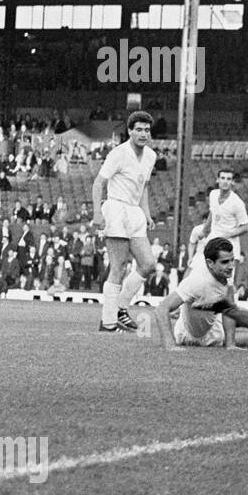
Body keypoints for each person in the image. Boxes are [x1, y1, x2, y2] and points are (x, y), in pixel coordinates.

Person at [91, 112, 158, 332]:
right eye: (138, 129)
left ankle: (120, 308)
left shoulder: (150, 156)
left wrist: (146, 213)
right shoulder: (118, 154)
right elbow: (98, 183)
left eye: (147, 130)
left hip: (135, 212)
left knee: (148, 264)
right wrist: (97, 213)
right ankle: (108, 322)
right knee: (118, 267)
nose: (143, 134)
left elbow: (144, 186)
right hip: (116, 208)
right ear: (129, 131)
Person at [152, 237, 243, 351]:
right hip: (184, 336)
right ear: (210, 263)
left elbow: (228, 311)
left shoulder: (225, 275)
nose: (231, 266)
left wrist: (230, 345)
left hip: (212, 334)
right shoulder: (196, 281)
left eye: (232, 260)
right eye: (225, 262)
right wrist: (169, 345)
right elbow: (161, 309)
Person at [189, 168, 248, 268]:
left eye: (228, 179)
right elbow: (212, 213)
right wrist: (204, 231)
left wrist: (227, 235)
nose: (225, 181)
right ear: (217, 180)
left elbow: (246, 227)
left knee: (226, 283)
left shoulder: (237, 203)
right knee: (202, 275)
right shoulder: (213, 194)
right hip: (213, 244)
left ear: (232, 182)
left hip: (229, 247)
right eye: (222, 178)